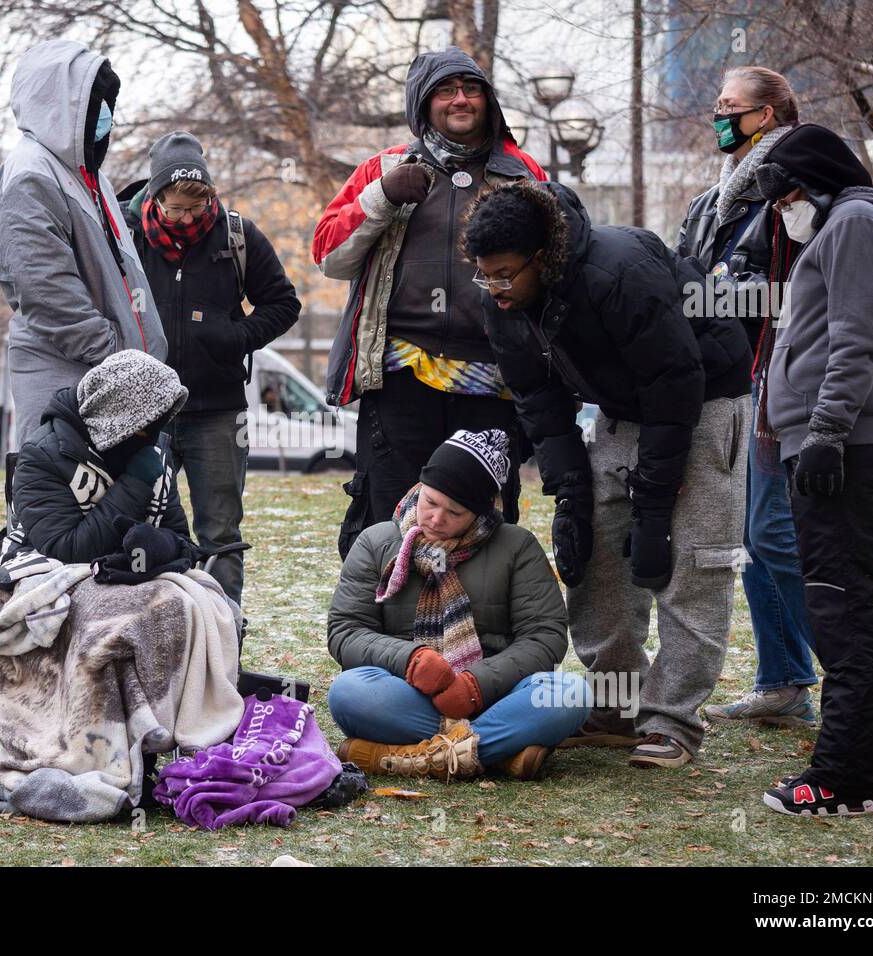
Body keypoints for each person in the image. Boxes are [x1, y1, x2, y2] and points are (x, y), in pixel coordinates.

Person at [463, 180, 753, 769]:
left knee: (688, 557)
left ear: (543, 258)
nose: (492, 289)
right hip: (620, 406)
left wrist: (652, 505)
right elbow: (539, 402)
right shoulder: (503, 305)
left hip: (702, 398)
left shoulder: (619, 271)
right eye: (482, 274)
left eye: (504, 274)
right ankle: (618, 704)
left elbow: (676, 383)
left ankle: (671, 718)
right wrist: (570, 494)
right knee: (592, 546)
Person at [312, 46, 546, 560]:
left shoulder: (524, 171)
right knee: (392, 516)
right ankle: (395, 636)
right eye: (446, 90)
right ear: (424, 102)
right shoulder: (385, 166)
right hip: (399, 377)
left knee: (483, 520)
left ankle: (475, 635)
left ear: (488, 100)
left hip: (491, 382)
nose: (460, 100)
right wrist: (382, 197)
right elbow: (327, 254)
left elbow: (559, 268)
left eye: (472, 89)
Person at [752, 125, 873, 816]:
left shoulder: (853, 221)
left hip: (845, 446)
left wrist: (824, 432)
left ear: (816, 180)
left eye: (787, 192)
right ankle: (863, 773)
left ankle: (845, 780)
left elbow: (853, 339)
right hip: (829, 441)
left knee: (840, 607)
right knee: (842, 604)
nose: (782, 208)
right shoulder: (843, 226)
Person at [676, 68, 820, 732]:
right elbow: (689, 277)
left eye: (729, 108)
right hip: (731, 380)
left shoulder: (796, 186)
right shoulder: (718, 200)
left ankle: (861, 667)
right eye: (717, 105)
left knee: (773, 532)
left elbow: (797, 287)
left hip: (779, 375)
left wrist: (723, 292)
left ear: (766, 116)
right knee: (753, 536)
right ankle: (785, 679)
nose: (718, 117)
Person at [326, 429, 590, 781]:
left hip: (496, 697)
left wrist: (474, 685)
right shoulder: (376, 542)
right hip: (408, 694)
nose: (435, 519)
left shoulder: (516, 546)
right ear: (419, 487)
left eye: (455, 512)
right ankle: (497, 752)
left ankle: (413, 757)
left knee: (570, 694)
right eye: (430, 502)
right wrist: (411, 658)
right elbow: (346, 631)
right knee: (349, 691)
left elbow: (544, 637)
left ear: (481, 513)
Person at [118, 131, 301, 605]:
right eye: (176, 209)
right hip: (140, 413)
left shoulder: (238, 236)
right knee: (136, 524)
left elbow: (283, 303)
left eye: (197, 208)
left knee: (220, 533)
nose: (187, 218)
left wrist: (235, 337)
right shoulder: (121, 233)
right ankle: (142, 631)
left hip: (217, 412)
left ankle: (222, 639)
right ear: (154, 196)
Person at [0, 39, 167, 447]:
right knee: (67, 503)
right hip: (73, 381)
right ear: (61, 104)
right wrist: (114, 353)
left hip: (108, 381)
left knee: (124, 505)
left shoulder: (85, 175)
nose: (104, 112)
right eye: (94, 100)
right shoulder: (32, 174)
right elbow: (44, 287)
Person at [11, 350, 191, 565]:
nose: (151, 437)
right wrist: (135, 483)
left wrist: (157, 545)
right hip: (59, 576)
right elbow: (65, 551)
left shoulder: (154, 450)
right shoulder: (42, 456)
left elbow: (181, 540)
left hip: (140, 571)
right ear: (115, 417)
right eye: (144, 428)